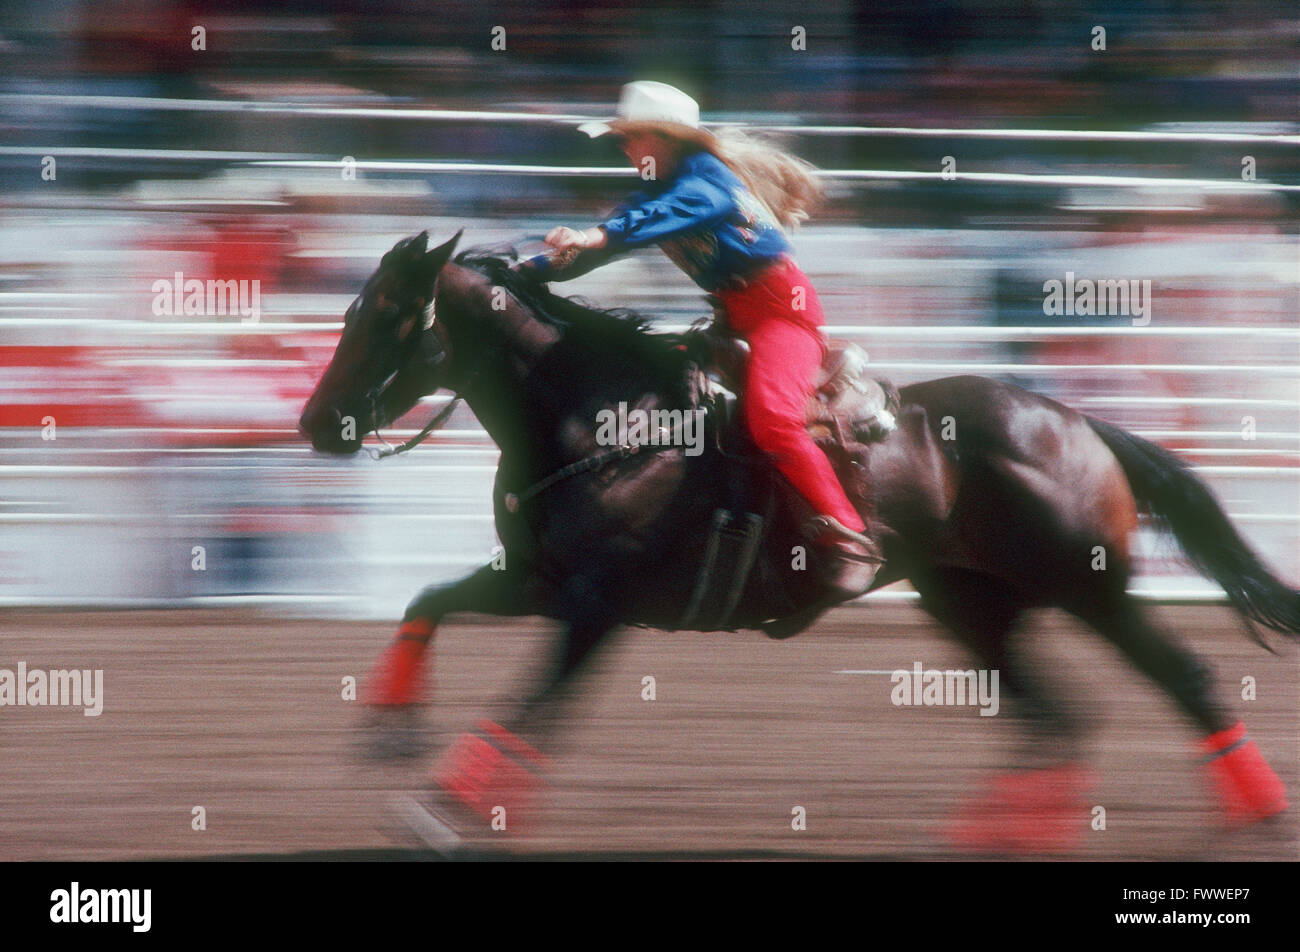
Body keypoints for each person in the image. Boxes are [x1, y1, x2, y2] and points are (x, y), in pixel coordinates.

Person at [521, 80, 880, 600]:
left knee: (774, 419)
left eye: (630, 137)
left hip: (784, 317)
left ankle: (847, 533)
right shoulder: (657, 186)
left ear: (665, 139)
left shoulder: (707, 185)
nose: (623, 148)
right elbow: (616, 234)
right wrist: (526, 271)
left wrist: (592, 237)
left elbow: (641, 224)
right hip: (734, 316)